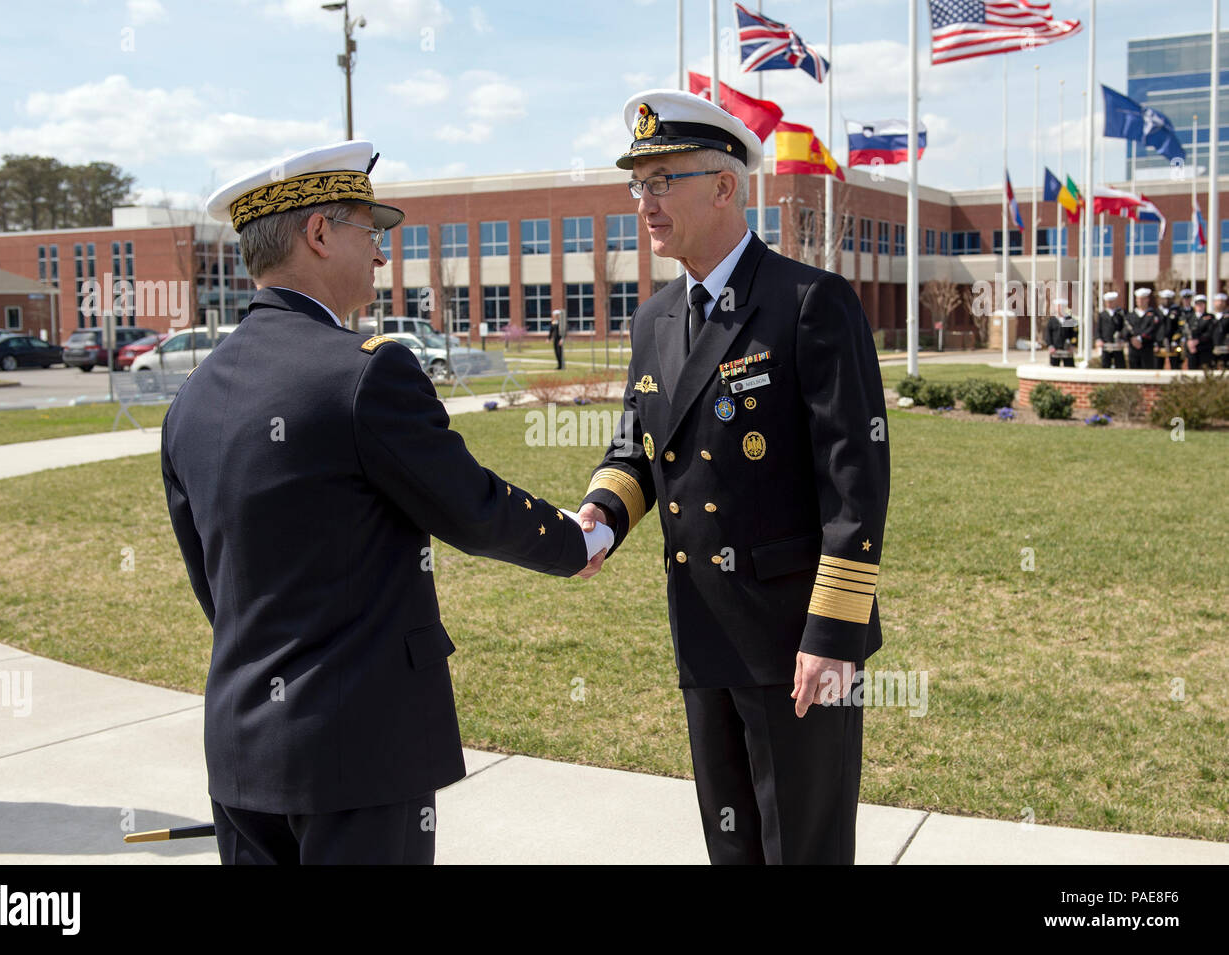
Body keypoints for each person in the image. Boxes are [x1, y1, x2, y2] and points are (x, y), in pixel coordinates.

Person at [162, 141, 612, 865]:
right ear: (317, 234)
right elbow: (470, 505)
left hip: (243, 751)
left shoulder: (192, 397)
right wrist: (575, 541)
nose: (378, 256)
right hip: (358, 752)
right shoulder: (364, 375)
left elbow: (211, 582)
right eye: (369, 232)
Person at [576, 90, 889, 865]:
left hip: (796, 645)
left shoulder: (809, 302)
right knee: (734, 850)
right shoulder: (653, 321)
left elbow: (856, 485)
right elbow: (638, 450)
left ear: (725, 185)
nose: (644, 204)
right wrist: (598, 519)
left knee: (803, 851)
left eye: (661, 182)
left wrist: (833, 637)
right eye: (636, 185)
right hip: (704, 630)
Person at [1126, 288, 1158, 370]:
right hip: (1133, 349)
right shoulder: (1131, 315)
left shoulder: (1153, 314)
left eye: (1142, 299)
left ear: (1147, 299)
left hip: (1147, 348)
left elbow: (1153, 329)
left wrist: (1140, 338)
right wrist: (1132, 339)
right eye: (1138, 299)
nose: (1139, 301)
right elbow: (1126, 330)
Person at [1095, 290, 1127, 369]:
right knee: (1106, 364)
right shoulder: (1102, 315)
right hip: (1106, 344)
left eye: (1111, 302)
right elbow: (1098, 329)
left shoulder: (1120, 313)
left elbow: (1124, 327)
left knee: (1120, 364)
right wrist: (1098, 339)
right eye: (1108, 302)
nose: (1109, 304)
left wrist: (1122, 338)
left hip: (1117, 344)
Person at [1155, 288, 1184, 370]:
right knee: (1157, 368)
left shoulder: (1177, 311)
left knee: (1175, 367)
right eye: (1164, 299)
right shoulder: (1156, 312)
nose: (1166, 301)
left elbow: (1180, 327)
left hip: (1173, 344)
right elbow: (1154, 329)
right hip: (1159, 345)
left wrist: (1175, 341)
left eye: (1168, 299)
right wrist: (1156, 343)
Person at [1184, 293, 1214, 370]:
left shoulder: (1210, 317)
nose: (1200, 306)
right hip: (1191, 349)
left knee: (1205, 369)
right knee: (1192, 371)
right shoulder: (1189, 317)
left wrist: (1198, 340)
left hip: (1204, 348)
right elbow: (1185, 331)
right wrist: (1189, 343)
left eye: (1202, 304)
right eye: (1198, 304)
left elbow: (1210, 332)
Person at [1045, 297, 1077, 367]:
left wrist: (1073, 345)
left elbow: (1074, 334)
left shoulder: (1069, 320)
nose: (1059, 308)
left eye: (1061, 307)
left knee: (1069, 368)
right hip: (1055, 349)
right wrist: (1050, 346)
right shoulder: (1052, 320)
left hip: (1067, 349)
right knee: (1054, 369)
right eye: (1058, 307)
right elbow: (1048, 334)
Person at [1213, 292, 1229, 370]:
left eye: (1222, 301)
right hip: (1211, 347)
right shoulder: (1210, 316)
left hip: (1225, 347)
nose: (1220, 303)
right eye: (1218, 301)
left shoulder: (1227, 316)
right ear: (1214, 302)